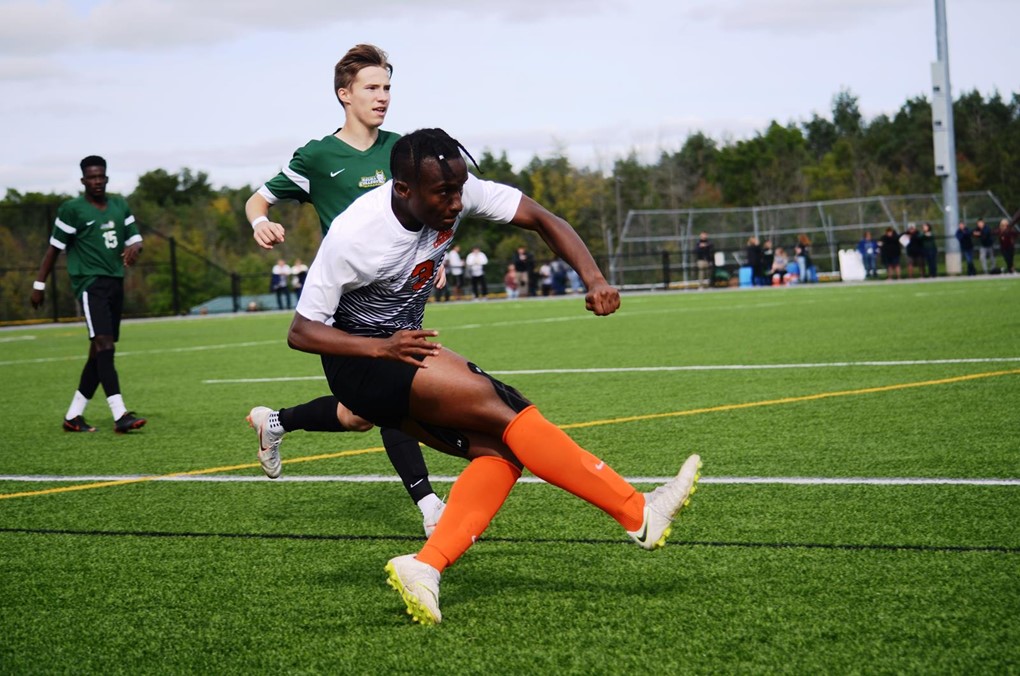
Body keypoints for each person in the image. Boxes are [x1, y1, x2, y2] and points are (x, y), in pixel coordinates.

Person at [286, 128, 702, 625]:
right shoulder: (355, 234)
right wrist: (382, 347)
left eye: (460, 189)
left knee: (502, 454)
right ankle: (639, 512)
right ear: (403, 189)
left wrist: (594, 279)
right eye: (443, 194)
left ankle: (425, 567)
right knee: (506, 408)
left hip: (398, 354)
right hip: (363, 362)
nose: (456, 203)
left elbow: (543, 218)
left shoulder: (457, 190)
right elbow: (301, 331)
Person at [243, 44, 445, 536]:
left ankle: (276, 422)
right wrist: (260, 223)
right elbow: (257, 200)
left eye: (388, 87)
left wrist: (434, 258)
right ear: (344, 94)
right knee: (395, 392)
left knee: (358, 416)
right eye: (372, 87)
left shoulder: (402, 150)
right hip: (346, 302)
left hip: (398, 296)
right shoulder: (318, 156)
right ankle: (430, 506)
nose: (383, 96)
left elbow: (428, 212)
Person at [29, 155, 147, 434]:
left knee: (98, 352)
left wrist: (136, 247)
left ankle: (73, 416)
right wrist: (39, 284)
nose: (97, 181)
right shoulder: (72, 209)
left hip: (115, 282)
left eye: (100, 176)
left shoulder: (119, 204)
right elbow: (54, 249)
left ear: (106, 178)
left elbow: (135, 238)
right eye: (91, 177)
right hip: (90, 284)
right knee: (105, 346)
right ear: (83, 180)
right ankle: (120, 414)